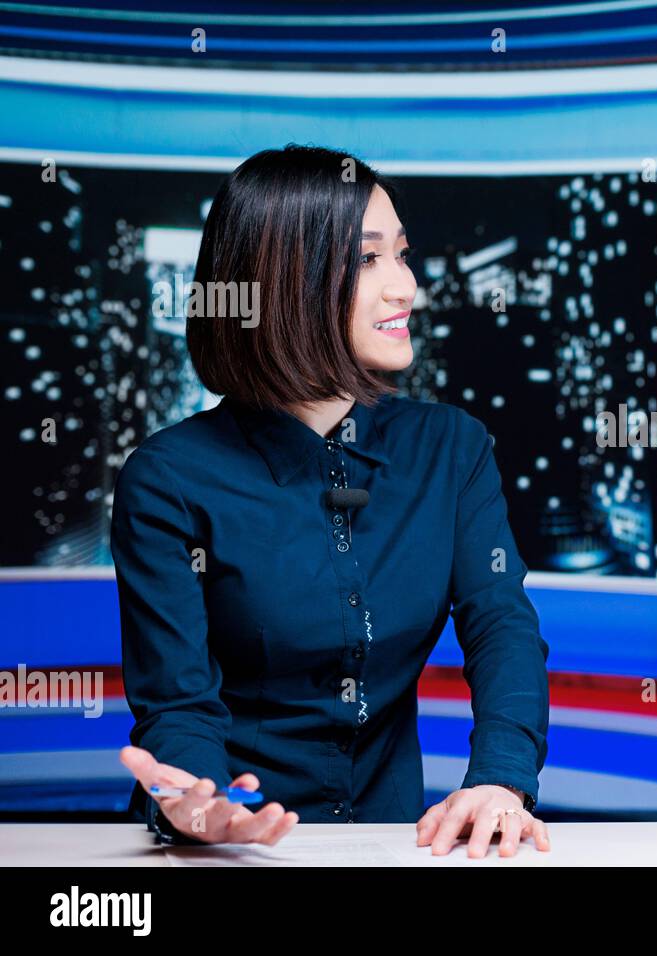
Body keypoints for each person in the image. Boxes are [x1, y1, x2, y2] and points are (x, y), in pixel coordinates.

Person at [113, 145, 551, 858]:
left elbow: (501, 625)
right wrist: (199, 802)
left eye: (403, 256)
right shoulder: (169, 477)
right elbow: (179, 702)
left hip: (390, 846)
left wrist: (502, 780)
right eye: (368, 259)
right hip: (221, 853)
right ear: (283, 283)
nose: (405, 286)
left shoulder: (452, 450)